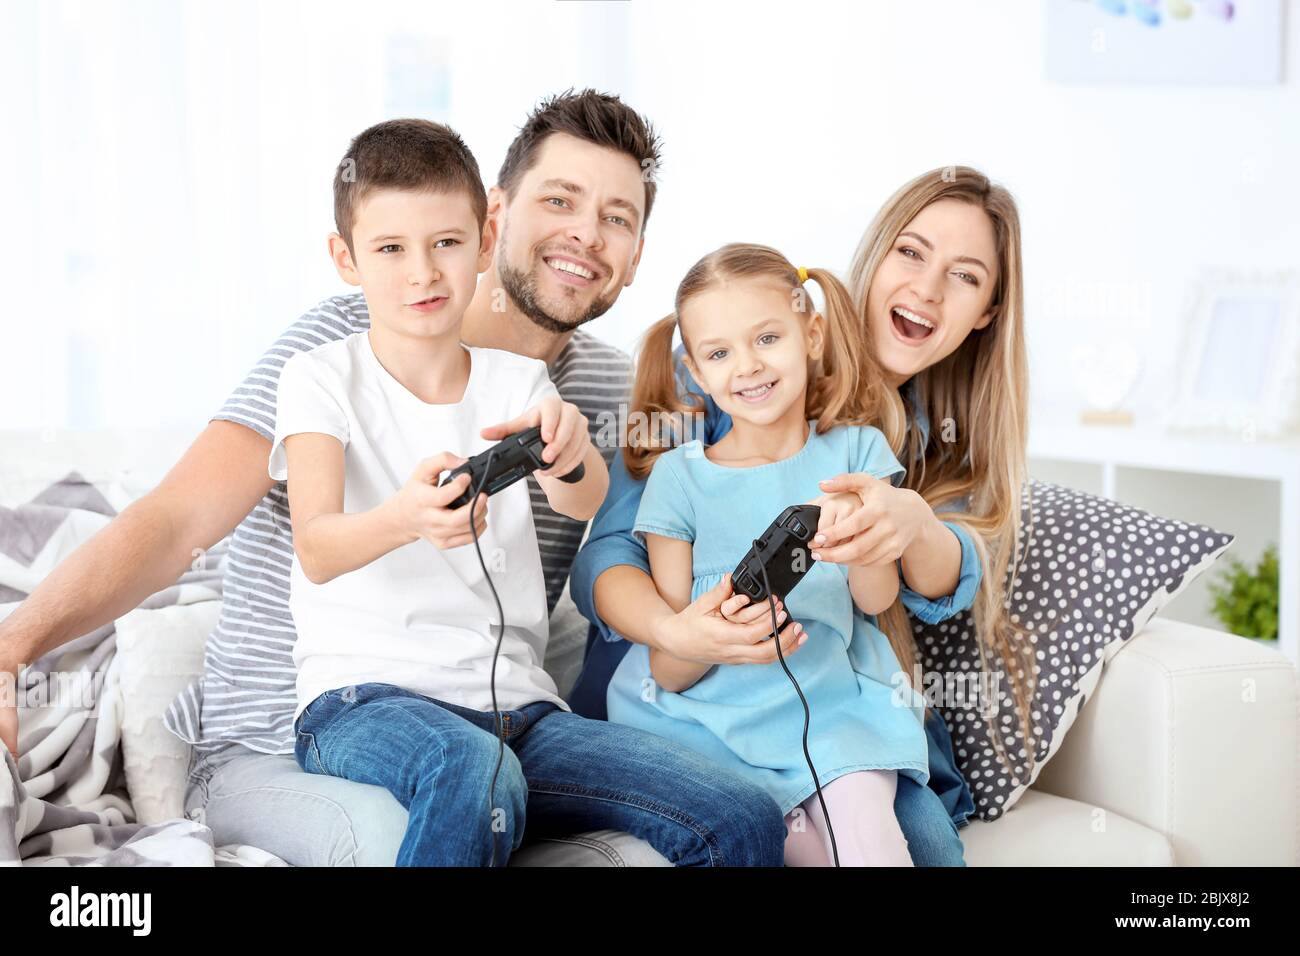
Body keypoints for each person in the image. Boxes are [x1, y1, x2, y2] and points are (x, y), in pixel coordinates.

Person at [0, 92, 788, 867]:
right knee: (423, 818)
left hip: (506, 719)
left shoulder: (616, 395)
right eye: (561, 200)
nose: (585, 234)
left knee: (732, 814)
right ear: (500, 214)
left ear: (638, 250)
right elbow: (177, 521)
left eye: (617, 217)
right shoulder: (338, 345)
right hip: (287, 737)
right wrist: (12, 651)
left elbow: (739, 459)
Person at [569, 166, 1032, 866]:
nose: (928, 288)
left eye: (965, 276)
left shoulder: (903, 442)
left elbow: (941, 574)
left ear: (989, 310)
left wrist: (901, 521)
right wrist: (679, 630)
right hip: (698, 705)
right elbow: (607, 557)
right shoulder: (724, 378)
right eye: (912, 252)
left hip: (835, 712)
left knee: (927, 843)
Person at [607, 243, 967, 865]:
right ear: (695, 370)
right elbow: (667, 667)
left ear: (812, 334)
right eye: (719, 353)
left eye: (767, 338)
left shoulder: (857, 454)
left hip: (833, 718)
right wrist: (713, 633)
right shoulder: (677, 479)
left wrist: (857, 542)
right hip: (710, 729)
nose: (747, 366)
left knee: (870, 837)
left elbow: (877, 600)